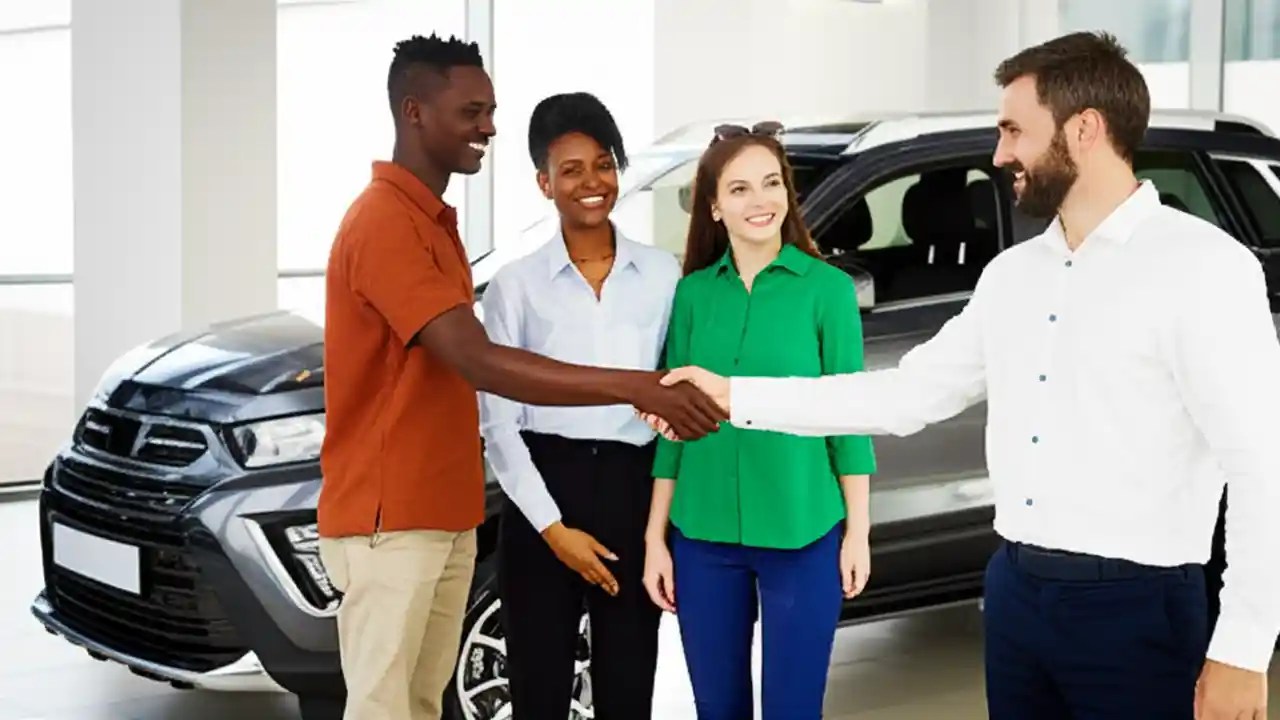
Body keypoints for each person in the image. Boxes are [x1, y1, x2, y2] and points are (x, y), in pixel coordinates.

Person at [654, 32, 1280, 720]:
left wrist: (1244, 648)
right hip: (1013, 593)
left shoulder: (1204, 268)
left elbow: (1261, 466)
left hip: (1137, 606)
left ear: (1085, 129)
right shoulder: (1012, 276)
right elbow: (905, 393)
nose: (1000, 153)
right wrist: (731, 396)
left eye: (1014, 130)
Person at [315, 35, 725, 720]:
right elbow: (478, 363)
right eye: (472, 111)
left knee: (418, 702)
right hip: (390, 518)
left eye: (491, 109)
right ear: (415, 112)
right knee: (386, 706)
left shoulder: (435, 223)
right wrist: (633, 385)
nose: (490, 127)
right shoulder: (386, 223)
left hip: (444, 513)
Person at [640, 122, 877, 720]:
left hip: (803, 532)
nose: (760, 200)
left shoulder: (827, 291)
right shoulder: (692, 295)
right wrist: (655, 538)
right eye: (740, 189)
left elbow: (849, 417)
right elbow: (675, 424)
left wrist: (858, 531)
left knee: (793, 710)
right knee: (717, 709)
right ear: (715, 206)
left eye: (771, 184)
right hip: (703, 536)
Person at [477, 92, 676, 720]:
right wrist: (552, 529)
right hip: (543, 494)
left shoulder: (664, 274)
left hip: (630, 490)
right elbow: (499, 423)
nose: (592, 183)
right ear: (544, 183)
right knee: (538, 689)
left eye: (604, 164)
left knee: (628, 686)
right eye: (571, 170)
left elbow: (674, 397)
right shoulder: (516, 286)